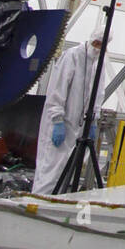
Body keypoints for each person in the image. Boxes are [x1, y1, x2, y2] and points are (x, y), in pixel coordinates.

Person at [32, 26, 106, 193]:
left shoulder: (98, 64)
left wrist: (93, 119)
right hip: (60, 125)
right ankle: (38, 207)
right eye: (97, 43)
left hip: (78, 128)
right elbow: (57, 91)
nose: (98, 48)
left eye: (102, 45)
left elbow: (98, 93)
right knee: (50, 172)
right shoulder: (72, 56)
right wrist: (57, 119)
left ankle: (56, 208)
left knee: (68, 174)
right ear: (91, 40)